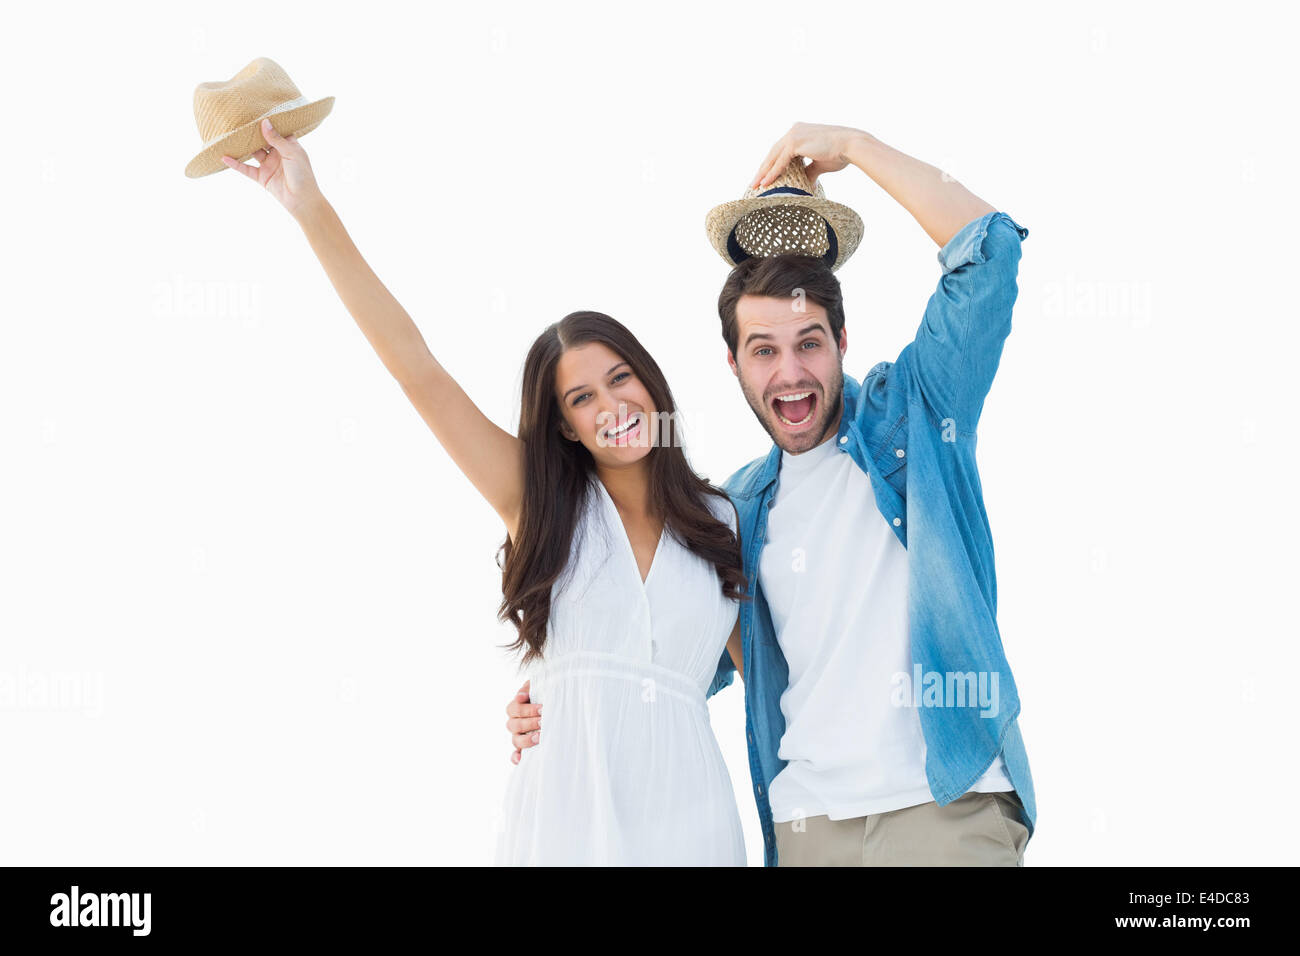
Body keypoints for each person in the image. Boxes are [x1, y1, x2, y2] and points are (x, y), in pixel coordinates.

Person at [507, 121, 1038, 867]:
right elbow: (671, 650)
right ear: (733, 364)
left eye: (808, 343)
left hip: (942, 809)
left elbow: (989, 253)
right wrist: (553, 697)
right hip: (805, 829)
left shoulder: (915, 418)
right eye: (764, 351)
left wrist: (853, 147)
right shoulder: (735, 512)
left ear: (842, 341)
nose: (789, 373)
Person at [221, 119, 748, 865]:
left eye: (621, 379)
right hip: (567, 820)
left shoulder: (723, 519)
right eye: (582, 399)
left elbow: (780, 679)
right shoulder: (543, 504)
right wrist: (311, 207)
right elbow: (418, 370)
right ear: (564, 426)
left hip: (691, 821)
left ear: (650, 381)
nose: (612, 407)